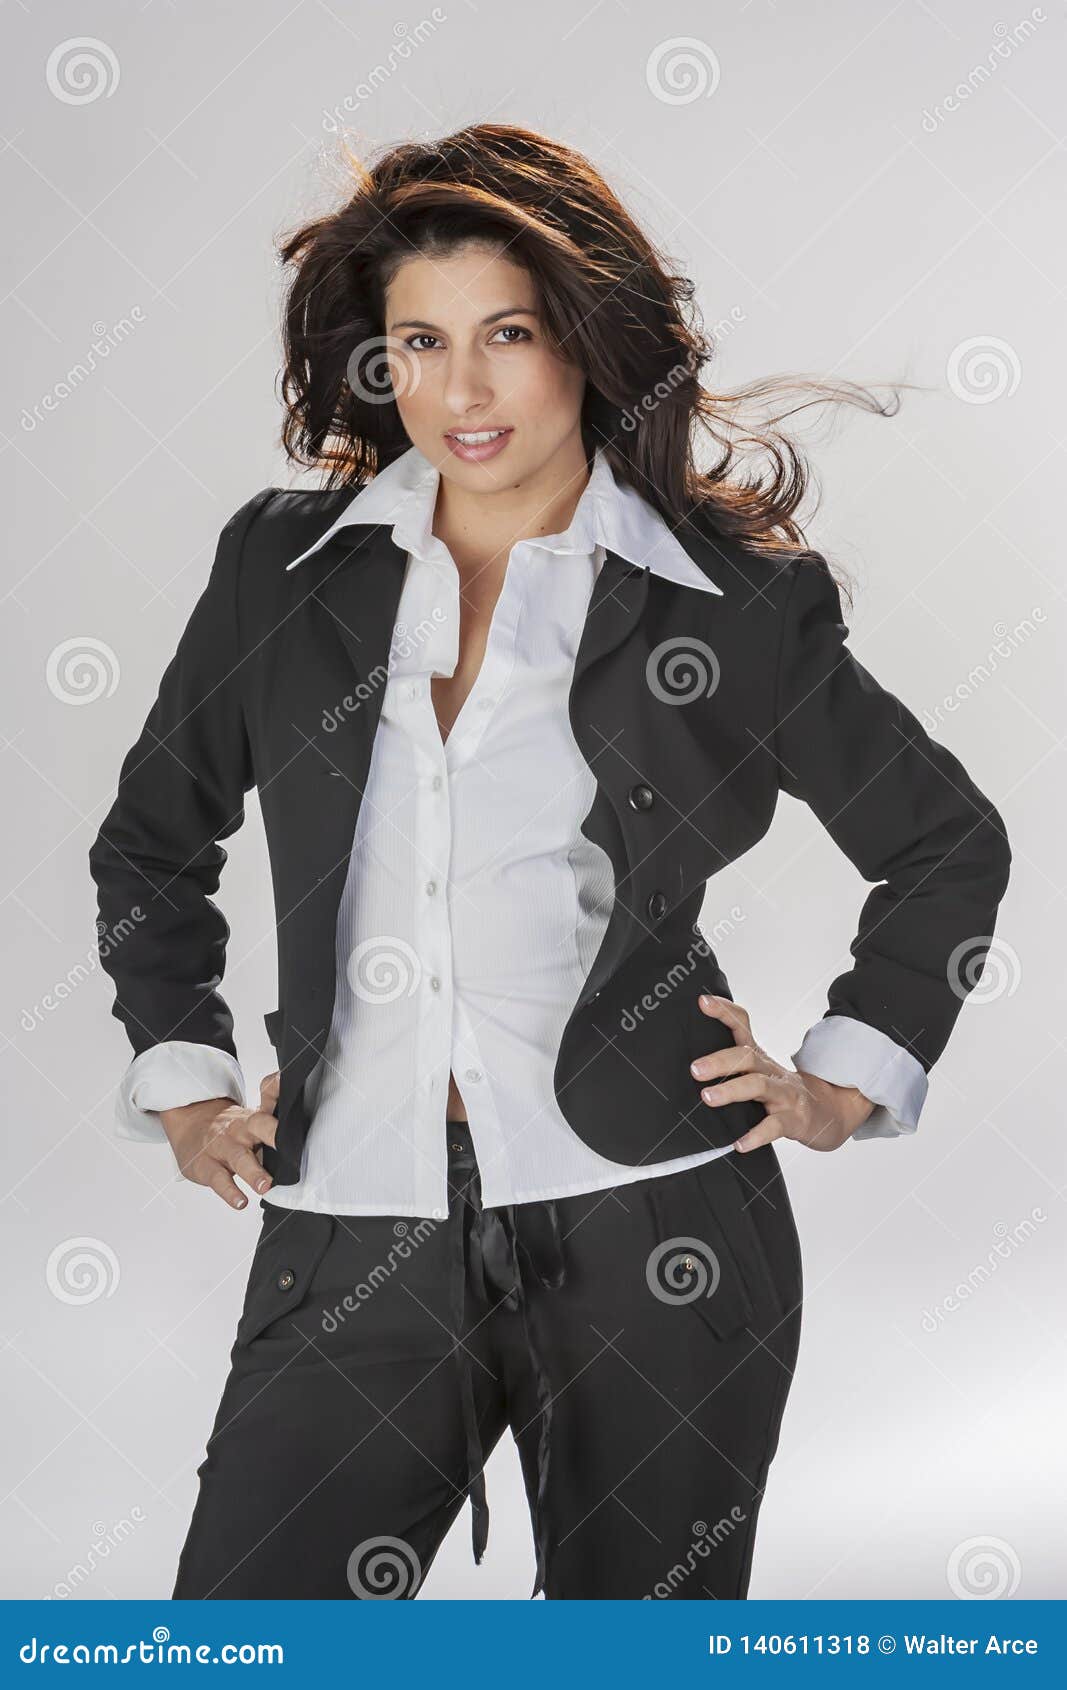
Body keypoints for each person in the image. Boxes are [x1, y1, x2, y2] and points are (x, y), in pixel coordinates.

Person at [88, 123, 1012, 1600]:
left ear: (584, 337)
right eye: (419, 343)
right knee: (245, 1635)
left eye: (508, 333)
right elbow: (151, 840)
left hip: (657, 1227)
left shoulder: (732, 604)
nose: (461, 390)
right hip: (354, 1221)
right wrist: (185, 1081)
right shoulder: (284, 570)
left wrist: (845, 1077)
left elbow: (944, 841)